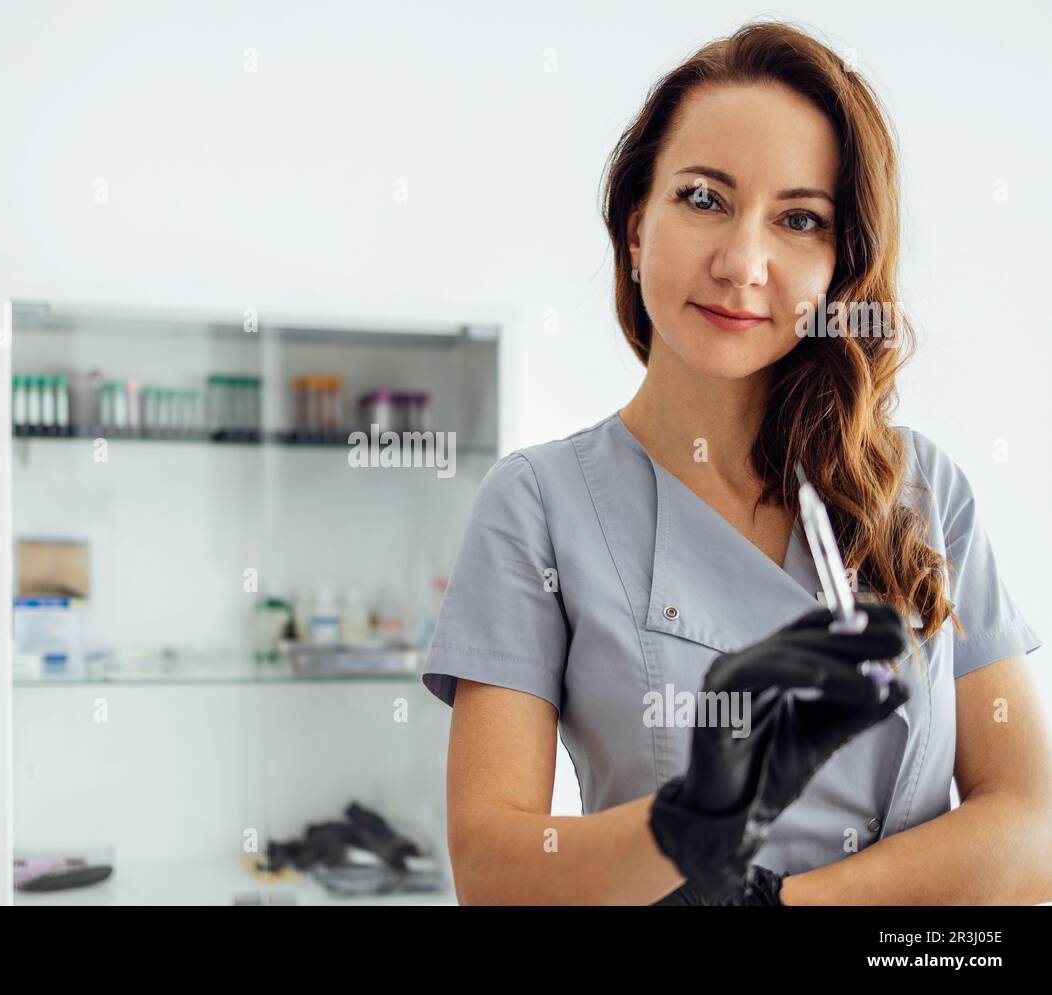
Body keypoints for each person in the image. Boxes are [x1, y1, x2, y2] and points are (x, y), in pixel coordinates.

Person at [421, 20, 1048, 905]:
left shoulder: (922, 491)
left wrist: (780, 903)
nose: (742, 262)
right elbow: (495, 869)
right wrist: (697, 820)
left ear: (838, 264)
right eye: (704, 198)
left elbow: (1031, 826)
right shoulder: (540, 505)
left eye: (800, 219)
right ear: (637, 226)